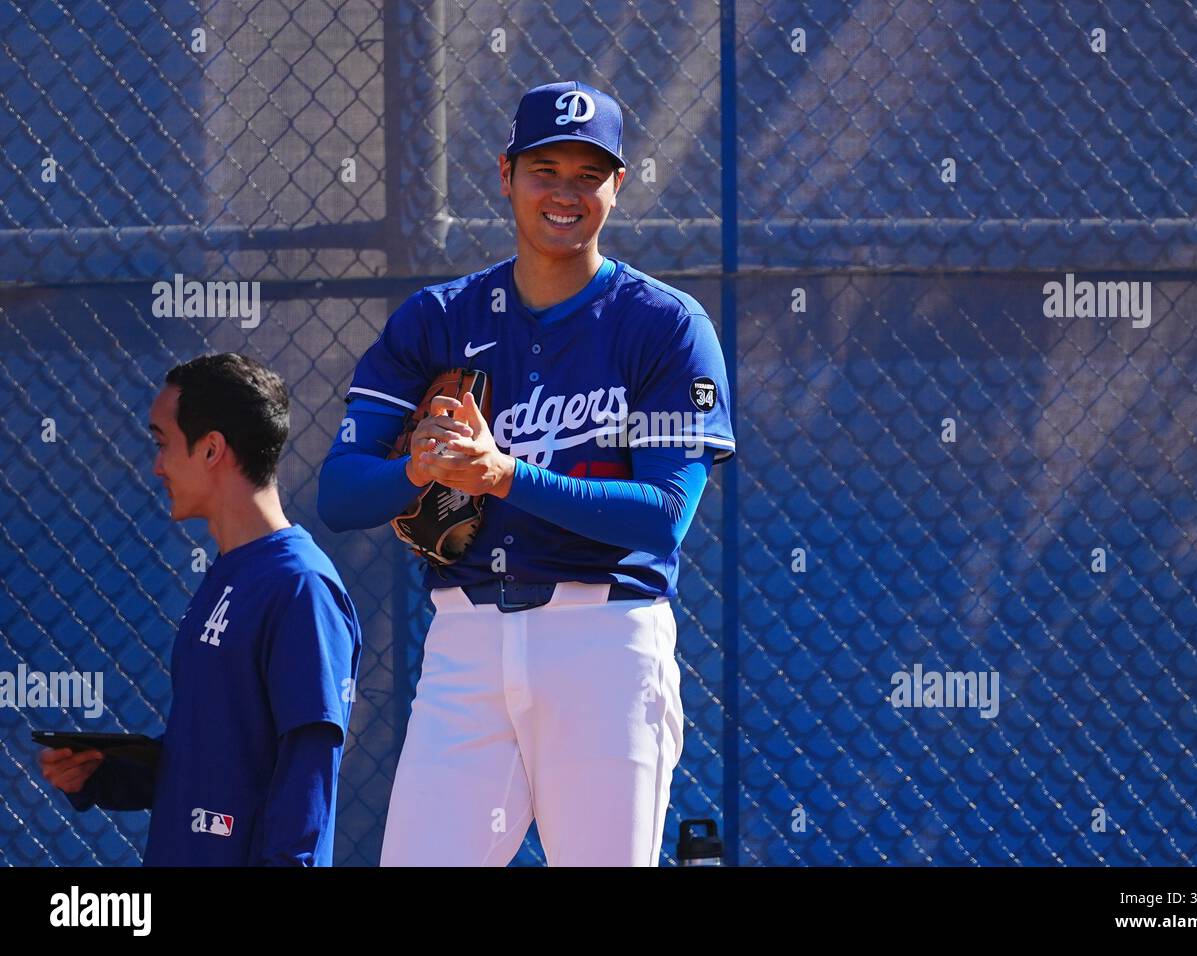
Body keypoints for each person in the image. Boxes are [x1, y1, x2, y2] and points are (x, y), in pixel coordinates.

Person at [318, 80, 735, 866]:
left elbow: (663, 516)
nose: (565, 193)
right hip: (466, 640)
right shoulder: (439, 318)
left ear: (618, 184)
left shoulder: (667, 324)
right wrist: (419, 466)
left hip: (606, 640)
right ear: (506, 174)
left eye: (588, 174)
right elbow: (339, 495)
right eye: (546, 169)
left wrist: (503, 474)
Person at [40, 353, 363, 866]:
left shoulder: (301, 585)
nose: (156, 464)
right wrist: (104, 774)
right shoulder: (232, 570)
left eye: (162, 442)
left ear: (212, 448)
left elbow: (309, 766)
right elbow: (218, 751)